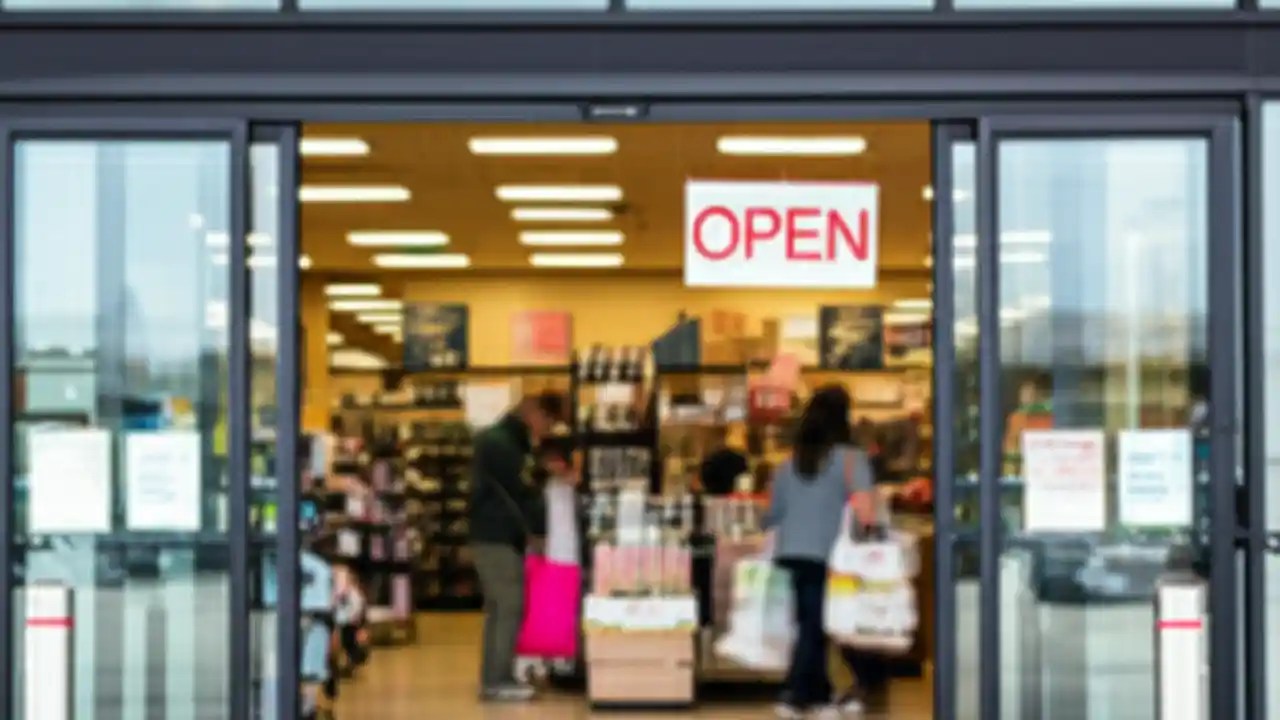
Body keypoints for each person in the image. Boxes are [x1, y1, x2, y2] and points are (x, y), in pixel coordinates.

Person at [764, 385, 885, 719]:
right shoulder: (851, 459)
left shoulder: (788, 464)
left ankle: (817, 691)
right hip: (832, 556)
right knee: (827, 625)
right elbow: (866, 512)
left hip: (791, 554)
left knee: (810, 623)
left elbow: (772, 514)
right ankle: (797, 696)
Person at [469, 391, 565, 702]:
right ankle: (498, 680)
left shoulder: (508, 442)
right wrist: (535, 531)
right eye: (547, 423)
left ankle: (494, 677)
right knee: (509, 606)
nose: (546, 430)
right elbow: (519, 495)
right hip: (496, 536)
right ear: (533, 413)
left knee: (500, 608)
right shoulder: (502, 445)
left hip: (496, 535)